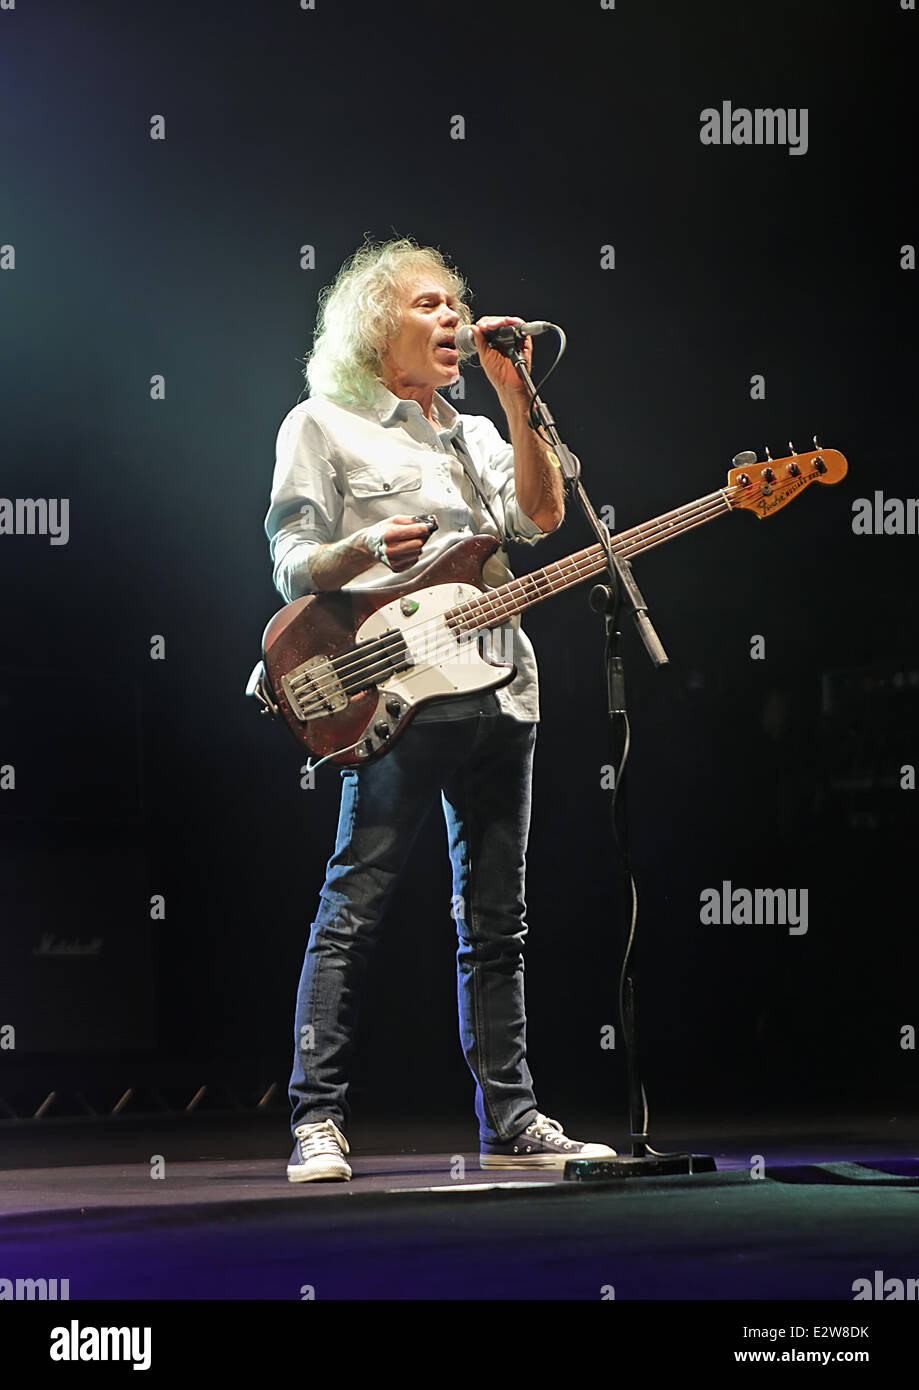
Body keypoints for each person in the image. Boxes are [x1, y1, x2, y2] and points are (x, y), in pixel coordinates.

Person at [265, 237, 617, 1181]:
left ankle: (513, 1116)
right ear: (377, 329)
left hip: (506, 690)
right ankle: (316, 1119)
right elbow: (291, 560)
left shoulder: (475, 433)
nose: (453, 318)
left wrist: (514, 396)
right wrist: (361, 547)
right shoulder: (322, 424)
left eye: (456, 305)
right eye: (428, 306)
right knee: (355, 908)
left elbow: (543, 521)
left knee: (498, 921)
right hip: (391, 694)